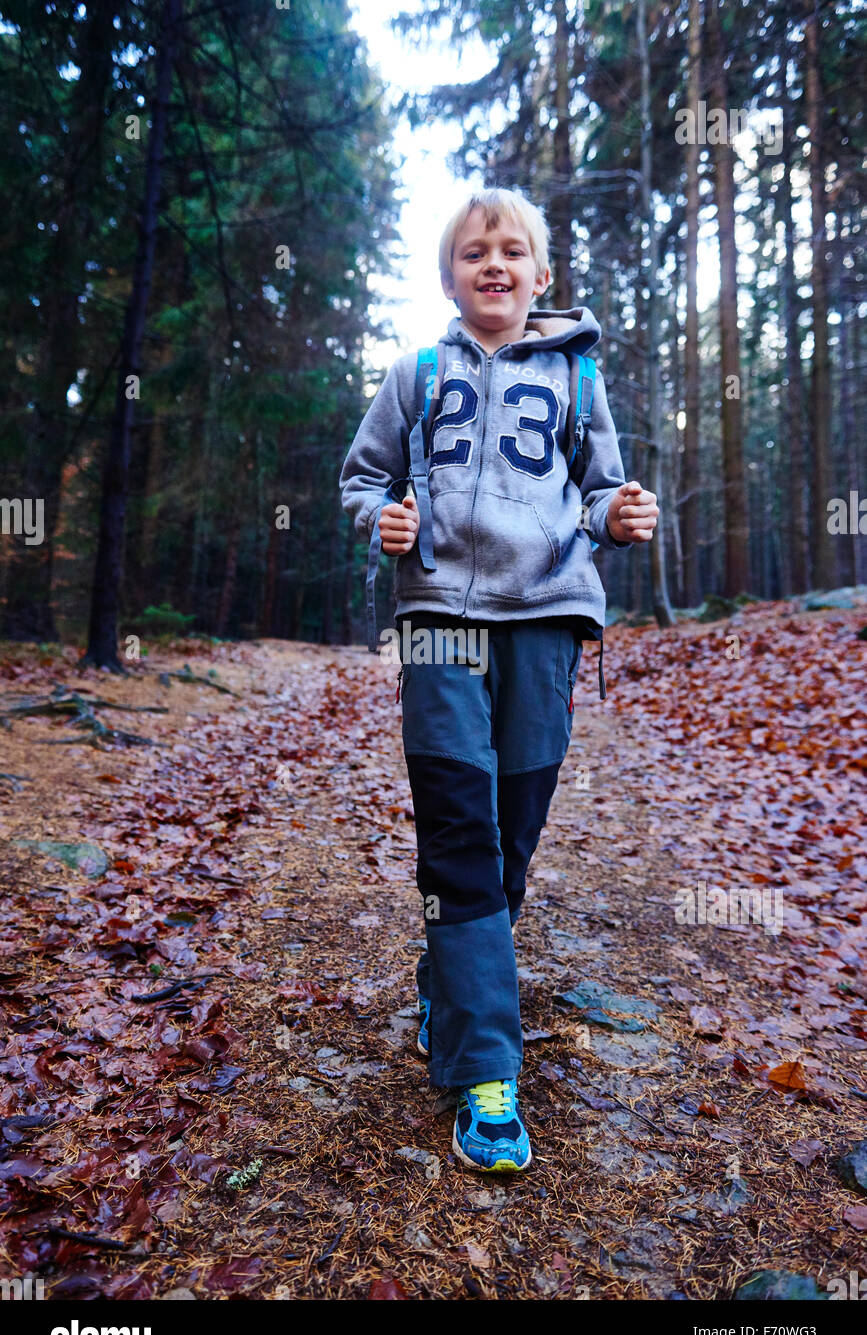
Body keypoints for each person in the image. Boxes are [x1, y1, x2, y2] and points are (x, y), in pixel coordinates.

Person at [339, 188, 659, 1173]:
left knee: (512, 829)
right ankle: (489, 1071)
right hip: (438, 618)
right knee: (458, 823)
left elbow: (601, 486)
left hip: (547, 621)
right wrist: (382, 518)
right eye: (474, 251)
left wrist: (618, 515)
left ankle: (449, 979)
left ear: (541, 276)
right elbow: (362, 479)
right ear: (450, 276)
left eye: (512, 251)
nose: (494, 264)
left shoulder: (578, 378)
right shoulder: (416, 373)